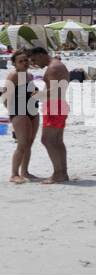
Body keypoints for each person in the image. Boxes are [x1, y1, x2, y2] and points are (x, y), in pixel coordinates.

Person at [26, 47, 69, 183]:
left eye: (34, 59)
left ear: (41, 55)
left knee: (47, 140)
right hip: (60, 105)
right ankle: (63, 173)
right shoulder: (57, 65)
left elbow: (55, 90)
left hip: (54, 106)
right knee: (57, 141)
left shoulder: (53, 68)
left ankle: (58, 173)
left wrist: (35, 95)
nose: (34, 64)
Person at [4, 49, 41, 183]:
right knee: (22, 144)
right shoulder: (13, 76)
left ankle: (25, 171)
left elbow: (31, 92)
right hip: (19, 112)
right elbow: (5, 97)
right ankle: (14, 174)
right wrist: (13, 114)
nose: (25, 63)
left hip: (33, 111)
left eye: (26, 60)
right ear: (14, 64)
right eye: (21, 61)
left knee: (29, 143)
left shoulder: (30, 76)